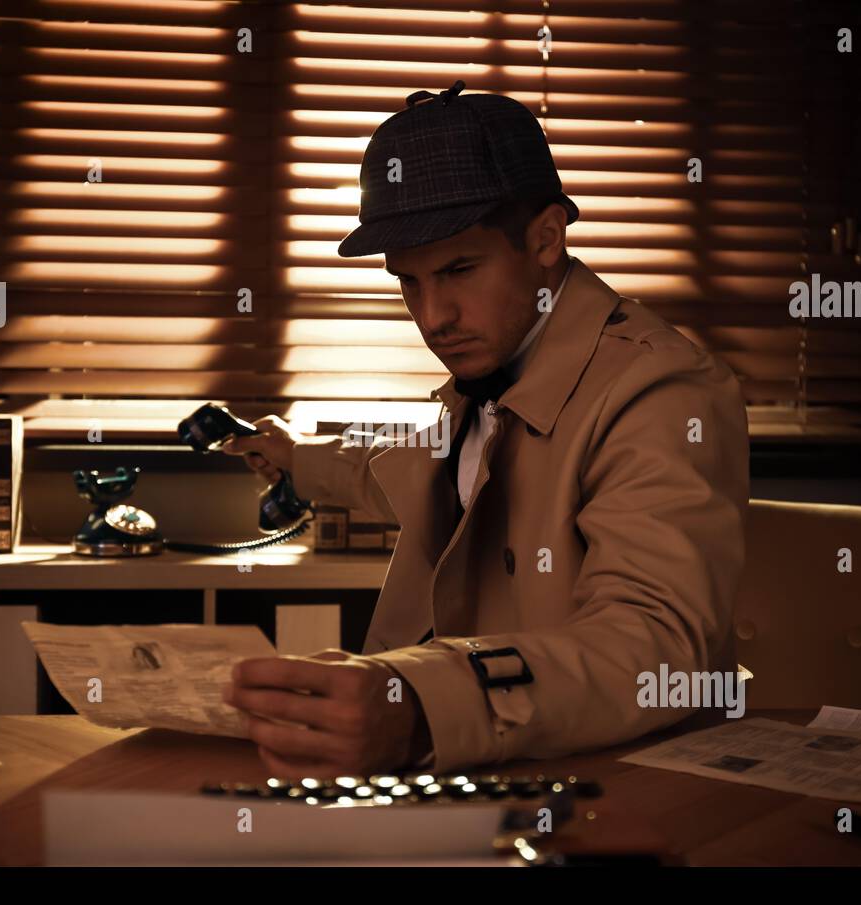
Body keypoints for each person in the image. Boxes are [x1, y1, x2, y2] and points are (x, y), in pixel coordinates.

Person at [220, 81, 749, 777]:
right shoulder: (497, 368)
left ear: (547, 238)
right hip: (468, 775)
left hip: (611, 787)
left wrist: (419, 699)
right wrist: (293, 455)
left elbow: (653, 645)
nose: (432, 316)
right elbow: (404, 472)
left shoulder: (661, 391)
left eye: (459, 269)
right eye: (408, 281)